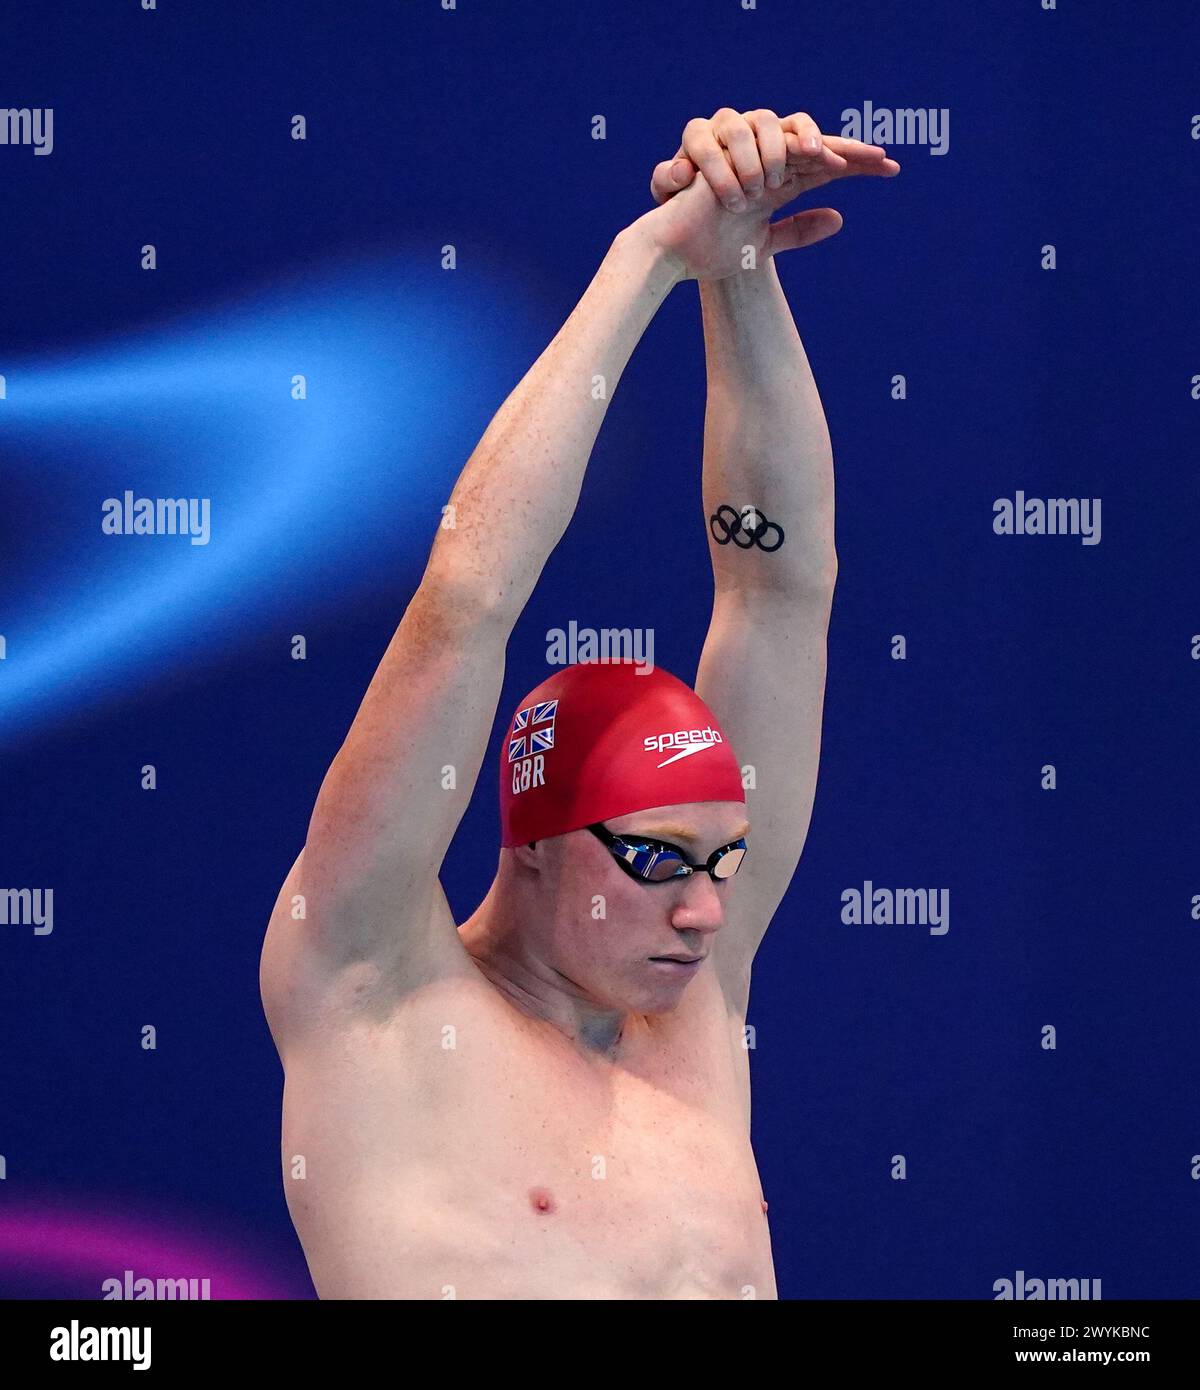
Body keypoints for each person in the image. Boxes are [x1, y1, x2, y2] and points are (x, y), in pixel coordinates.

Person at [260, 107, 899, 1300]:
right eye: (662, 862)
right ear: (537, 844)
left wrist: (743, 259)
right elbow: (465, 597)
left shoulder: (690, 1010)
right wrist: (654, 254)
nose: (710, 916)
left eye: (726, 863)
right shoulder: (372, 989)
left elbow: (777, 590)